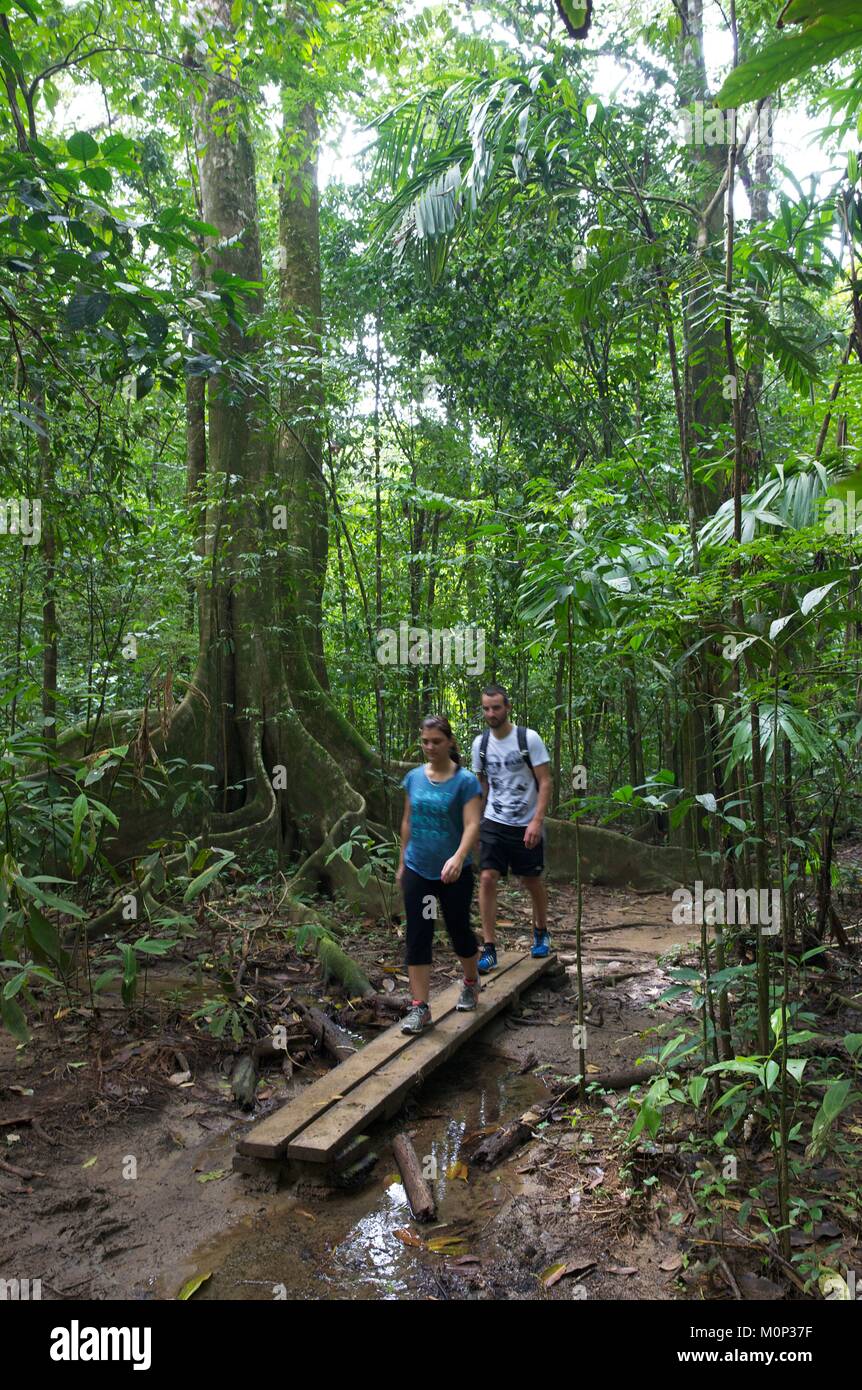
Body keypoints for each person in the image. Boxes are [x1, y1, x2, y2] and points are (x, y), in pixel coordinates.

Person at [397, 715, 484, 1034]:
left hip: (453, 872)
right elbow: (407, 821)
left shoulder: (465, 782)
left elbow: (473, 824)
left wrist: (459, 858)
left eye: (436, 741)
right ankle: (420, 1008)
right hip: (418, 868)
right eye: (425, 741)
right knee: (418, 935)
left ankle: (471, 981)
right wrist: (403, 862)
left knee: (459, 929)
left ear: (449, 742)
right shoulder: (414, 778)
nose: (430, 747)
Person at [471, 684, 552, 971]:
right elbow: (481, 785)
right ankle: (489, 946)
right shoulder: (479, 745)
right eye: (486, 708)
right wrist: (475, 824)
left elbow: (544, 781)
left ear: (508, 708)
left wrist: (537, 821)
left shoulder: (528, 739)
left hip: (526, 823)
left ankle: (541, 930)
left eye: (496, 707)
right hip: (494, 820)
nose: (491, 713)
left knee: (531, 881)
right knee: (488, 878)